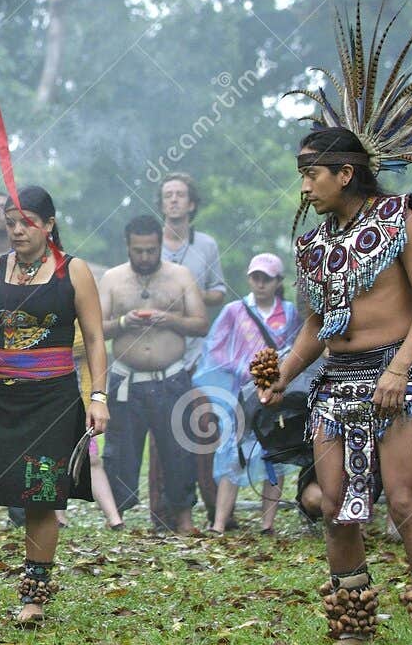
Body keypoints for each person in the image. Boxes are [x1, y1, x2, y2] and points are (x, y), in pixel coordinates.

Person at [261, 34, 412, 645]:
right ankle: (352, 626)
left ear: (345, 173)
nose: (305, 188)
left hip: (396, 374)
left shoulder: (400, 215)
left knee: (402, 499)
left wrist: (403, 367)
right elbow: (317, 326)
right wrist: (282, 375)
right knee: (336, 507)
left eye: (312, 174)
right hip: (336, 381)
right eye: (301, 176)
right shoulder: (314, 244)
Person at [0, 186, 108, 624]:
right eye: (10, 221)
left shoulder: (74, 272)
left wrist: (98, 397)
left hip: (51, 399)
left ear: (49, 225)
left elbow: (94, 339)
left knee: (40, 496)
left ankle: (33, 598)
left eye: (27, 222)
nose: (16, 230)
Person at [100, 214, 209, 532]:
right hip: (126, 380)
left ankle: (184, 519)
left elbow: (201, 324)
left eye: (151, 250)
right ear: (128, 246)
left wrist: (169, 318)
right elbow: (96, 329)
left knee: (180, 452)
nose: (145, 257)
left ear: (161, 245)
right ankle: (116, 518)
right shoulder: (112, 278)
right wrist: (123, 322)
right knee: (120, 452)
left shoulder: (180, 275)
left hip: (171, 379)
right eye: (138, 250)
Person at [198, 253, 301, 535]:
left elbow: (298, 347)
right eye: (256, 277)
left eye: (267, 278)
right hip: (240, 394)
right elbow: (215, 349)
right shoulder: (234, 310)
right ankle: (219, 522)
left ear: (278, 281)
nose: (261, 283)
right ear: (249, 279)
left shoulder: (290, 313)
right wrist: (244, 368)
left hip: (276, 393)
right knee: (232, 451)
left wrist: (279, 370)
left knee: (275, 452)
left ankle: (268, 524)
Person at [158, 172, 228, 522]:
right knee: (161, 433)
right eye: (167, 194)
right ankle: (164, 512)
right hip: (158, 350)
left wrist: (190, 295)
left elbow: (220, 291)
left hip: (199, 352)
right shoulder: (149, 245)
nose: (173, 200)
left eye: (179, 194)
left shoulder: (207, 245)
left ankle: (218, 509)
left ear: (191, 203)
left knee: (204, 427)